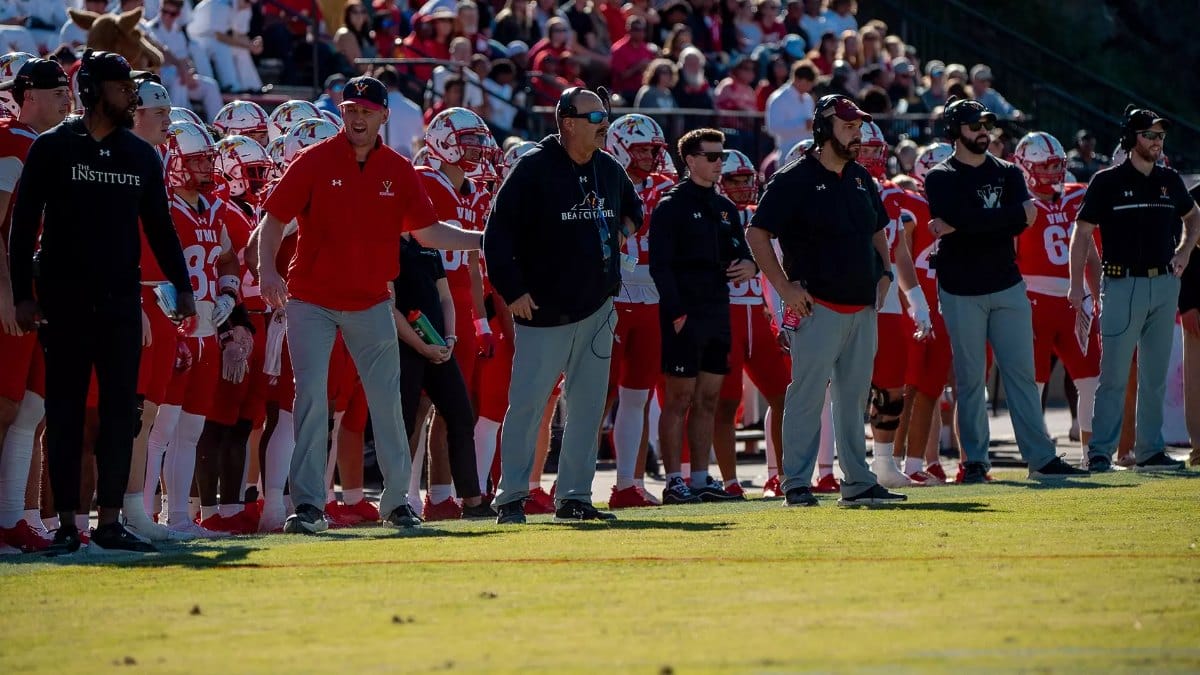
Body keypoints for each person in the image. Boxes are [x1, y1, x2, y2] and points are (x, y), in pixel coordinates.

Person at [256, 76, 485, 534]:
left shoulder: (399, 169)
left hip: (372, 300)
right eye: (350, 110)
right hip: (312, 299)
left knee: (388, 403)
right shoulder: (313, 160)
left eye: (365, 110)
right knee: (312, 401)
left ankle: (398, 502)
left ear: (384, 117)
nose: (357, 118)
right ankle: (307, 506)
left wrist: (483, 239)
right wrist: (267, 270)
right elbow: (273, 219)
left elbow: (427, 232)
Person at [8, 52, 196, 555]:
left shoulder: (140, 156)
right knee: (65, 413)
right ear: (92, 90)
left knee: (121, 414)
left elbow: (162, 228)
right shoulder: (52, 147)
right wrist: (23, 294)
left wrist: (185, 288)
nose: (129, 97)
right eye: (119, 88)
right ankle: (68, 524)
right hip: (62, 299)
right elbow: (23, 224)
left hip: (119, 301)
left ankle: (109, 522)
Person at [483, 87, 642, 524]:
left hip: (597, 309)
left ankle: (574, 496)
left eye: (605, 115)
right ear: (568, 122)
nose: (604, 123)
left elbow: (635, 207)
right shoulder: (532, 169)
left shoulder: (609, 168)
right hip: (543, 312)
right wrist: (513, 291)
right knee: (528, 408)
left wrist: (621, 230)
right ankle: (511, 496)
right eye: (595, 117)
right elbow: (495, 235)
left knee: (588, 408)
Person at [747, 94, 907, 507]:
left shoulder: (860, 178)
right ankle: (796, 483)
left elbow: (877, 229)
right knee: (806, 396)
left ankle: (856, 482)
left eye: (858, 127)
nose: (857, 135)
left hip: (861, 305)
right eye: (848, 127)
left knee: (854, 400)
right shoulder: (793, 179)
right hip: (816, 305)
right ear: (824, 129)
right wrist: (784, 289)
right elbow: (756, 233)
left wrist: (886, 272)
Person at [924, 97, 1087, 482]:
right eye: (974, 125)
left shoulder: (1009, 172)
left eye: (986, 125)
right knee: (970, 380)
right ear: (955, 131)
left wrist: (966, 223)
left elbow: (1016, 221)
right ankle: (975, 462)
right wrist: (994, 219)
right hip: (961, 288)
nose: (983, 131)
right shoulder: (941, 176)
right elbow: (993, 218)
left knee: (1023, 376)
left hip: (1007, 284)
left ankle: (1041, 458)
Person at [1068, 105, 1200, 473]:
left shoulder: (1170, 180)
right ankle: (1100, 453)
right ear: (1131, 138)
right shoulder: (1106, 181)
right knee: (1112, 375)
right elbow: (1082, 235)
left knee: (1154, 376)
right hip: (1120, 283)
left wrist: (1184, 252)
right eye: (1150, 135)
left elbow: (1194, 217)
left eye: (1161, 136)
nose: (1157, 142)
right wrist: (1076, 284)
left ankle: (1150, 451)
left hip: (1163, 284)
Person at [649, 129, 755, 505]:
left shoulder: (725, 208)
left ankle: (699, 477)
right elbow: (660, 266)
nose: (718, 164)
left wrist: (750, 265)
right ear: (690, 160)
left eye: (721, 157)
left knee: (709, 398)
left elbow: (744, 252)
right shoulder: (671, 205)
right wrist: (676, 312)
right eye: (711, 157)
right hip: (684, 312)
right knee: (678, 398)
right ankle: (674, 480)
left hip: (717, 310)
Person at [0, 57, 71, 554]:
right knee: (5, 407)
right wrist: (7, 290)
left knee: (32, 409)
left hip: (42, 288)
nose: (67, 98)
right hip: (15, 289)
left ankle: (19, 518)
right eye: (55, 90)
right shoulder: (14, 142)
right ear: (28, 95)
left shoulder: (45, 146)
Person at [1012, 131, 1101, 457]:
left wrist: (1097, 291)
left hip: (1075, 299)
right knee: (1032, 381)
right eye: (1045, 167)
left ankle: (1094, 451)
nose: (1052, 174)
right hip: (1033, 298)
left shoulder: (1078, 196)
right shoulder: (1018, 204)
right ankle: (1035, 453)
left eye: (1056, 166)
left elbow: (1091, 250)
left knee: (1091, 377)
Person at [604, 113, 674, 509]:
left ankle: (627, 483)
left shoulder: (664, 189)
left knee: (638, 396)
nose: (650, 156)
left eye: (654, 149)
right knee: (597, 396)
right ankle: (571, 481)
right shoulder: (602, 181)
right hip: (611, 296)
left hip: (651, 298)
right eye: (642, 149)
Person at [714, 149, 792, 498]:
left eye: (748, 179)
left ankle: (782, 475)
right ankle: (729, 480)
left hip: (761, 317)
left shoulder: (762, 218)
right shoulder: (709, 214)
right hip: (726, 314)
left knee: (784, 397)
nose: (745, 186)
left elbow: (778, 267)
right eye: (736, 180)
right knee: (725, 403)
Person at [765, 59, 816, 156]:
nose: (810, 87)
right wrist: (803, 125)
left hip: (808, 154)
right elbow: (772, 128)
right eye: (808, 82)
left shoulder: (808, 99)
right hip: (786, 153)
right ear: (797, 79)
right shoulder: (779, 98)